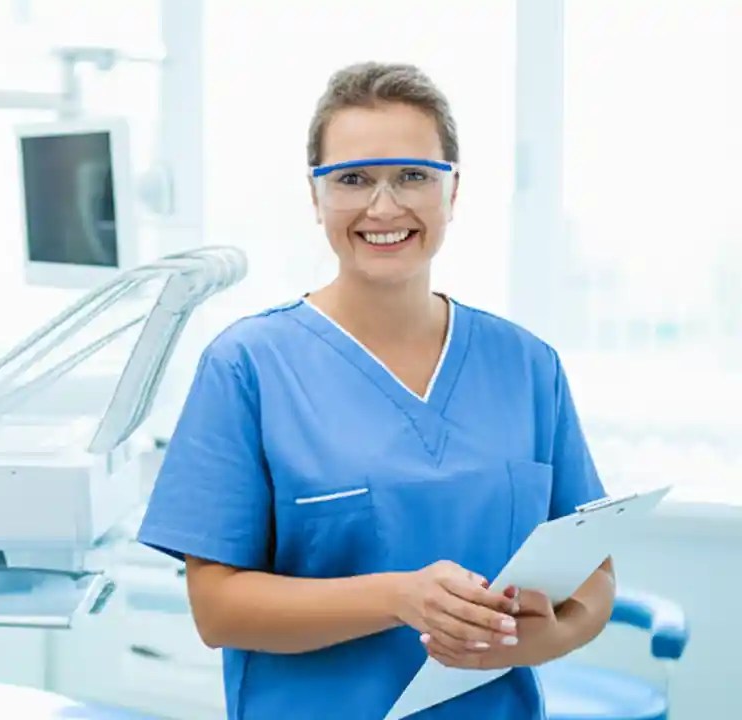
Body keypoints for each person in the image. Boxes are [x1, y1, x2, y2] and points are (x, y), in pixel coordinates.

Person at [136, 61, 615, 719]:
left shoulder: (528, 366)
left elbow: (592, 577)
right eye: (353, 179)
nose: (384, 207)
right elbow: (217, 609)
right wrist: (398, 597)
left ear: (453, 191)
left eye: (413, 176)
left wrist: (531, 639)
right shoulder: (248, 367)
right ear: (315, 196)